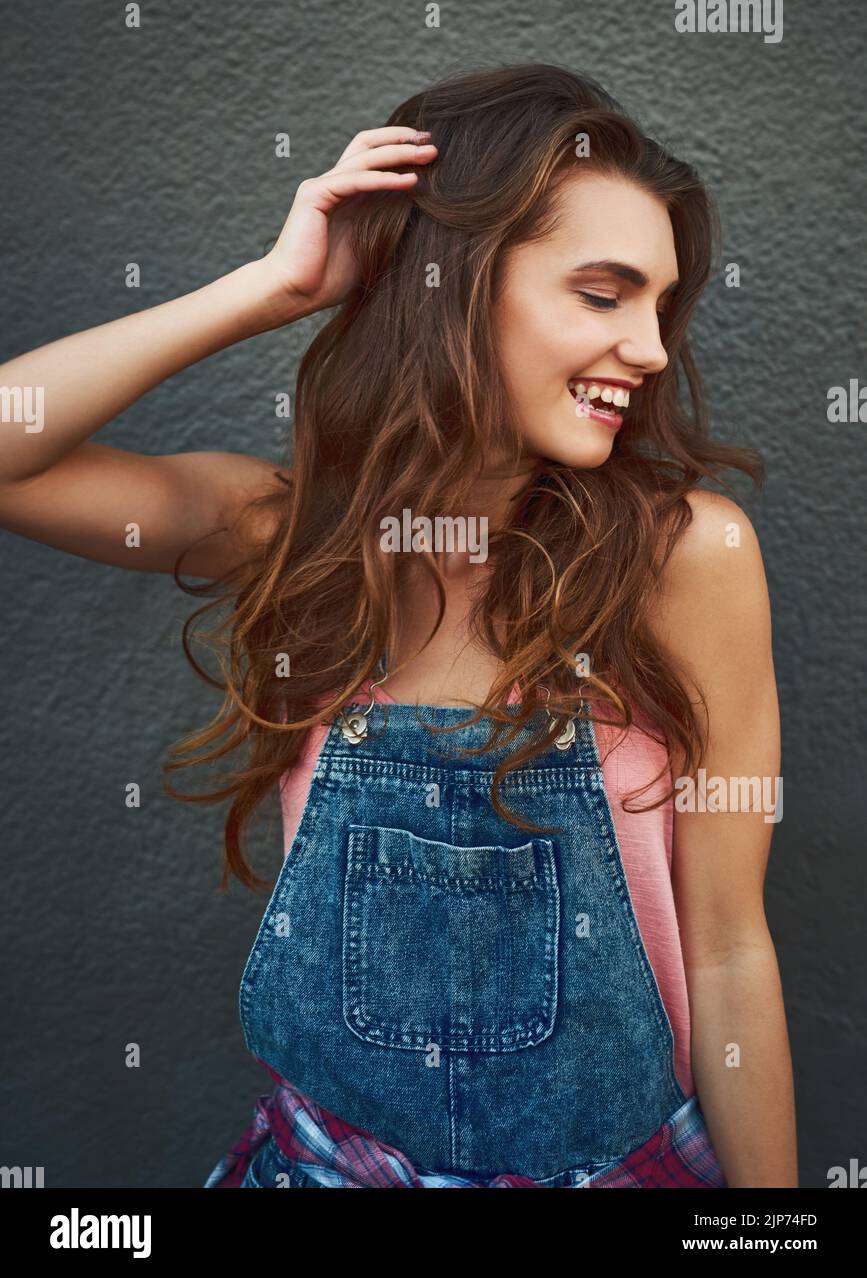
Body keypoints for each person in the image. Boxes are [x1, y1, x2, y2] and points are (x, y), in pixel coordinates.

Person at [0, 62, 797, 1188]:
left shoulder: (684, 559)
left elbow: (727, 950)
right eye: (603, 294)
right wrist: (271, 289)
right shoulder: (294, 540)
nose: (653, 349)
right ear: (453, 287)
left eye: (660, 307)